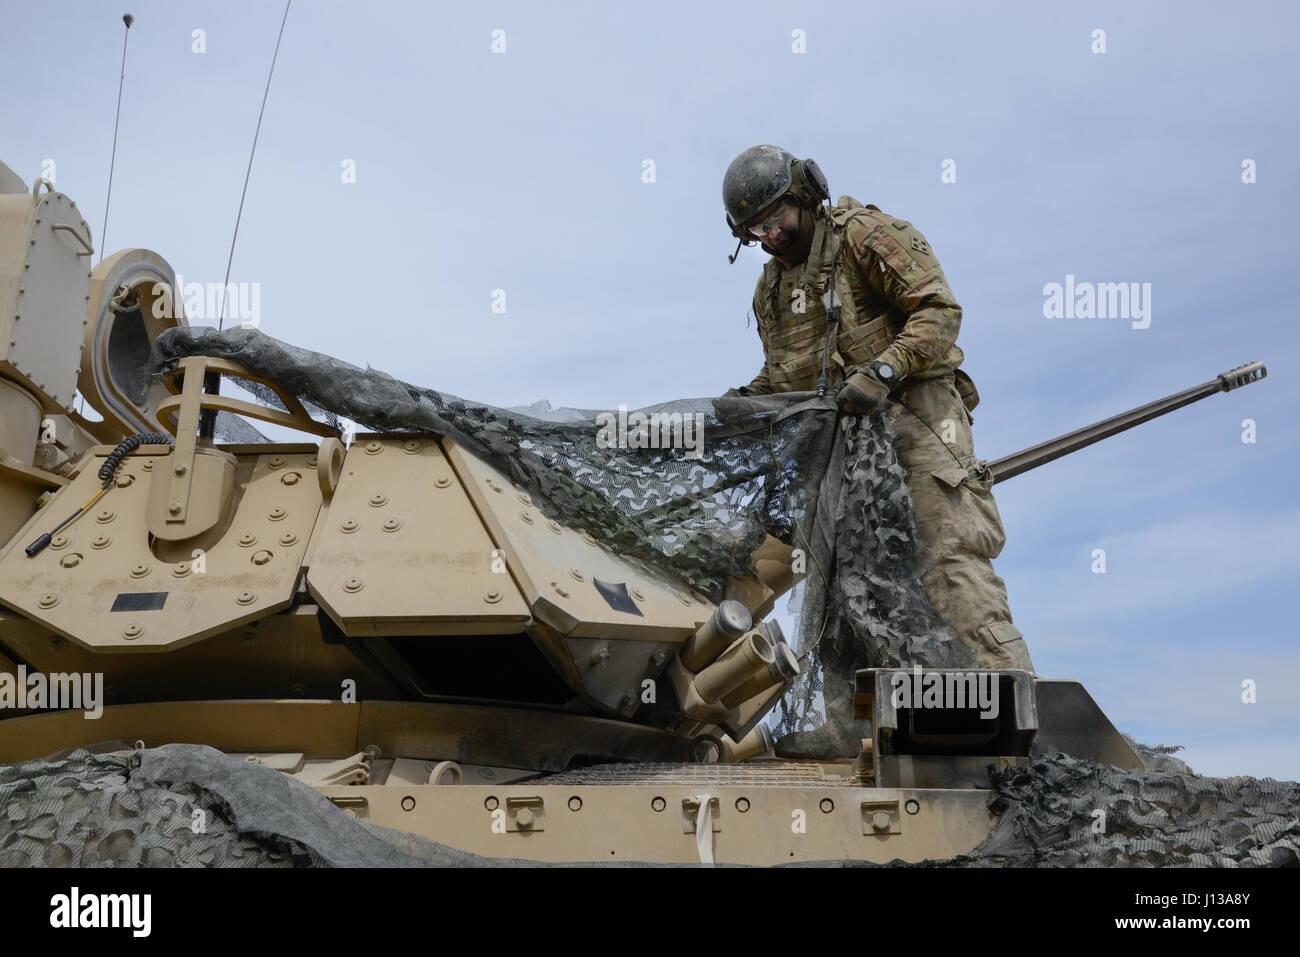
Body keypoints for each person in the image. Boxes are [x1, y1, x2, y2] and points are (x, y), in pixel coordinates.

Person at [722, 144, 1034, 672]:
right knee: (849, 582)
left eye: (776, 218)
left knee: (946, 557)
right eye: (756, 230)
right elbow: (783, 378)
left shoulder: (864, 236)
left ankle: (1008, 709)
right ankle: (864, 732)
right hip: (839, 457)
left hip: (918, 422)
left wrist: (884, 370)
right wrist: (740, 406)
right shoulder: (770, 290)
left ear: (804, 196)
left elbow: (939, 313)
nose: (770, 236)